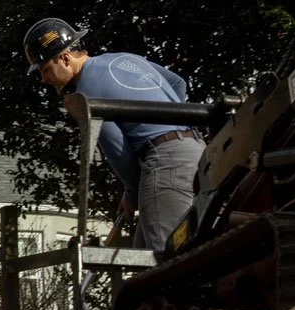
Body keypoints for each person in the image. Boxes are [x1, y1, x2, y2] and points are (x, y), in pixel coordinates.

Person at [23, 17, 203, 249]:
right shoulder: (123, 58)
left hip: (165, 164)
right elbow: (178, 83)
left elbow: (118, 151)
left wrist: (131, 192)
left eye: (45, 69)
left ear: (65, 59)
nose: (43, 79)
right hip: (197, 150)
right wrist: (176, 127)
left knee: (167, 261)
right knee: (141, 260)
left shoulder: (87, 91)